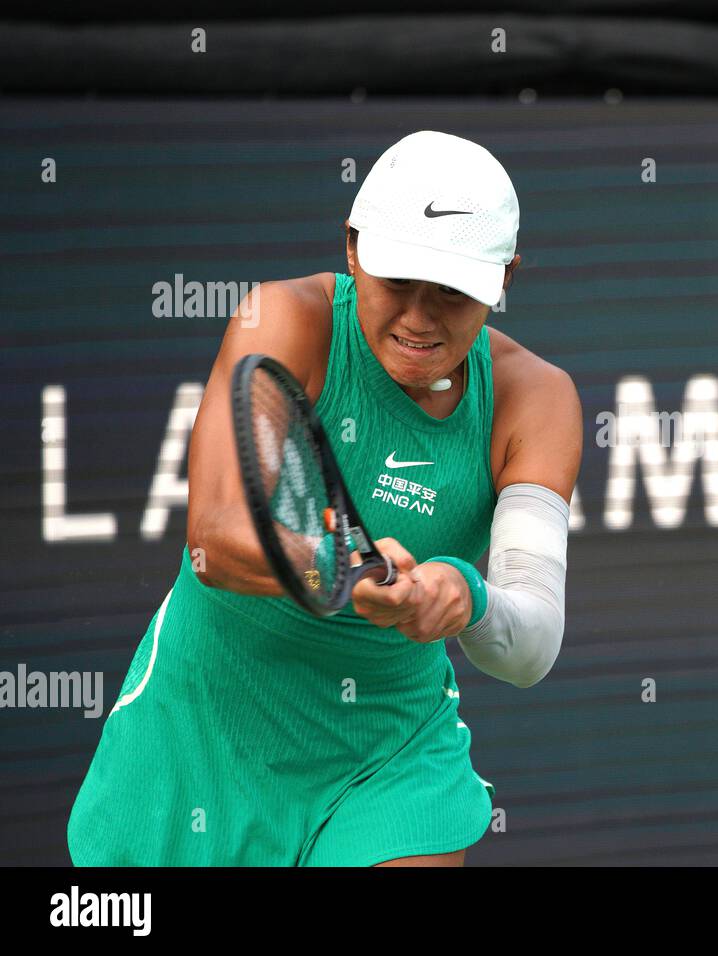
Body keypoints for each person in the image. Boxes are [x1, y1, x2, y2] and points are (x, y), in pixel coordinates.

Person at [67, 130, 582, 867]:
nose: (418, 317)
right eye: (398, 279)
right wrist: (347, 568)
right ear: (352, 249)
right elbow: (217, 539)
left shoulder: (538, 399)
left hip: (390, 755)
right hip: (205, 725)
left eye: (452, 289)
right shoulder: (283, 320)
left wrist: (465, 598)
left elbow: (530, 643)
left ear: (505, 278)